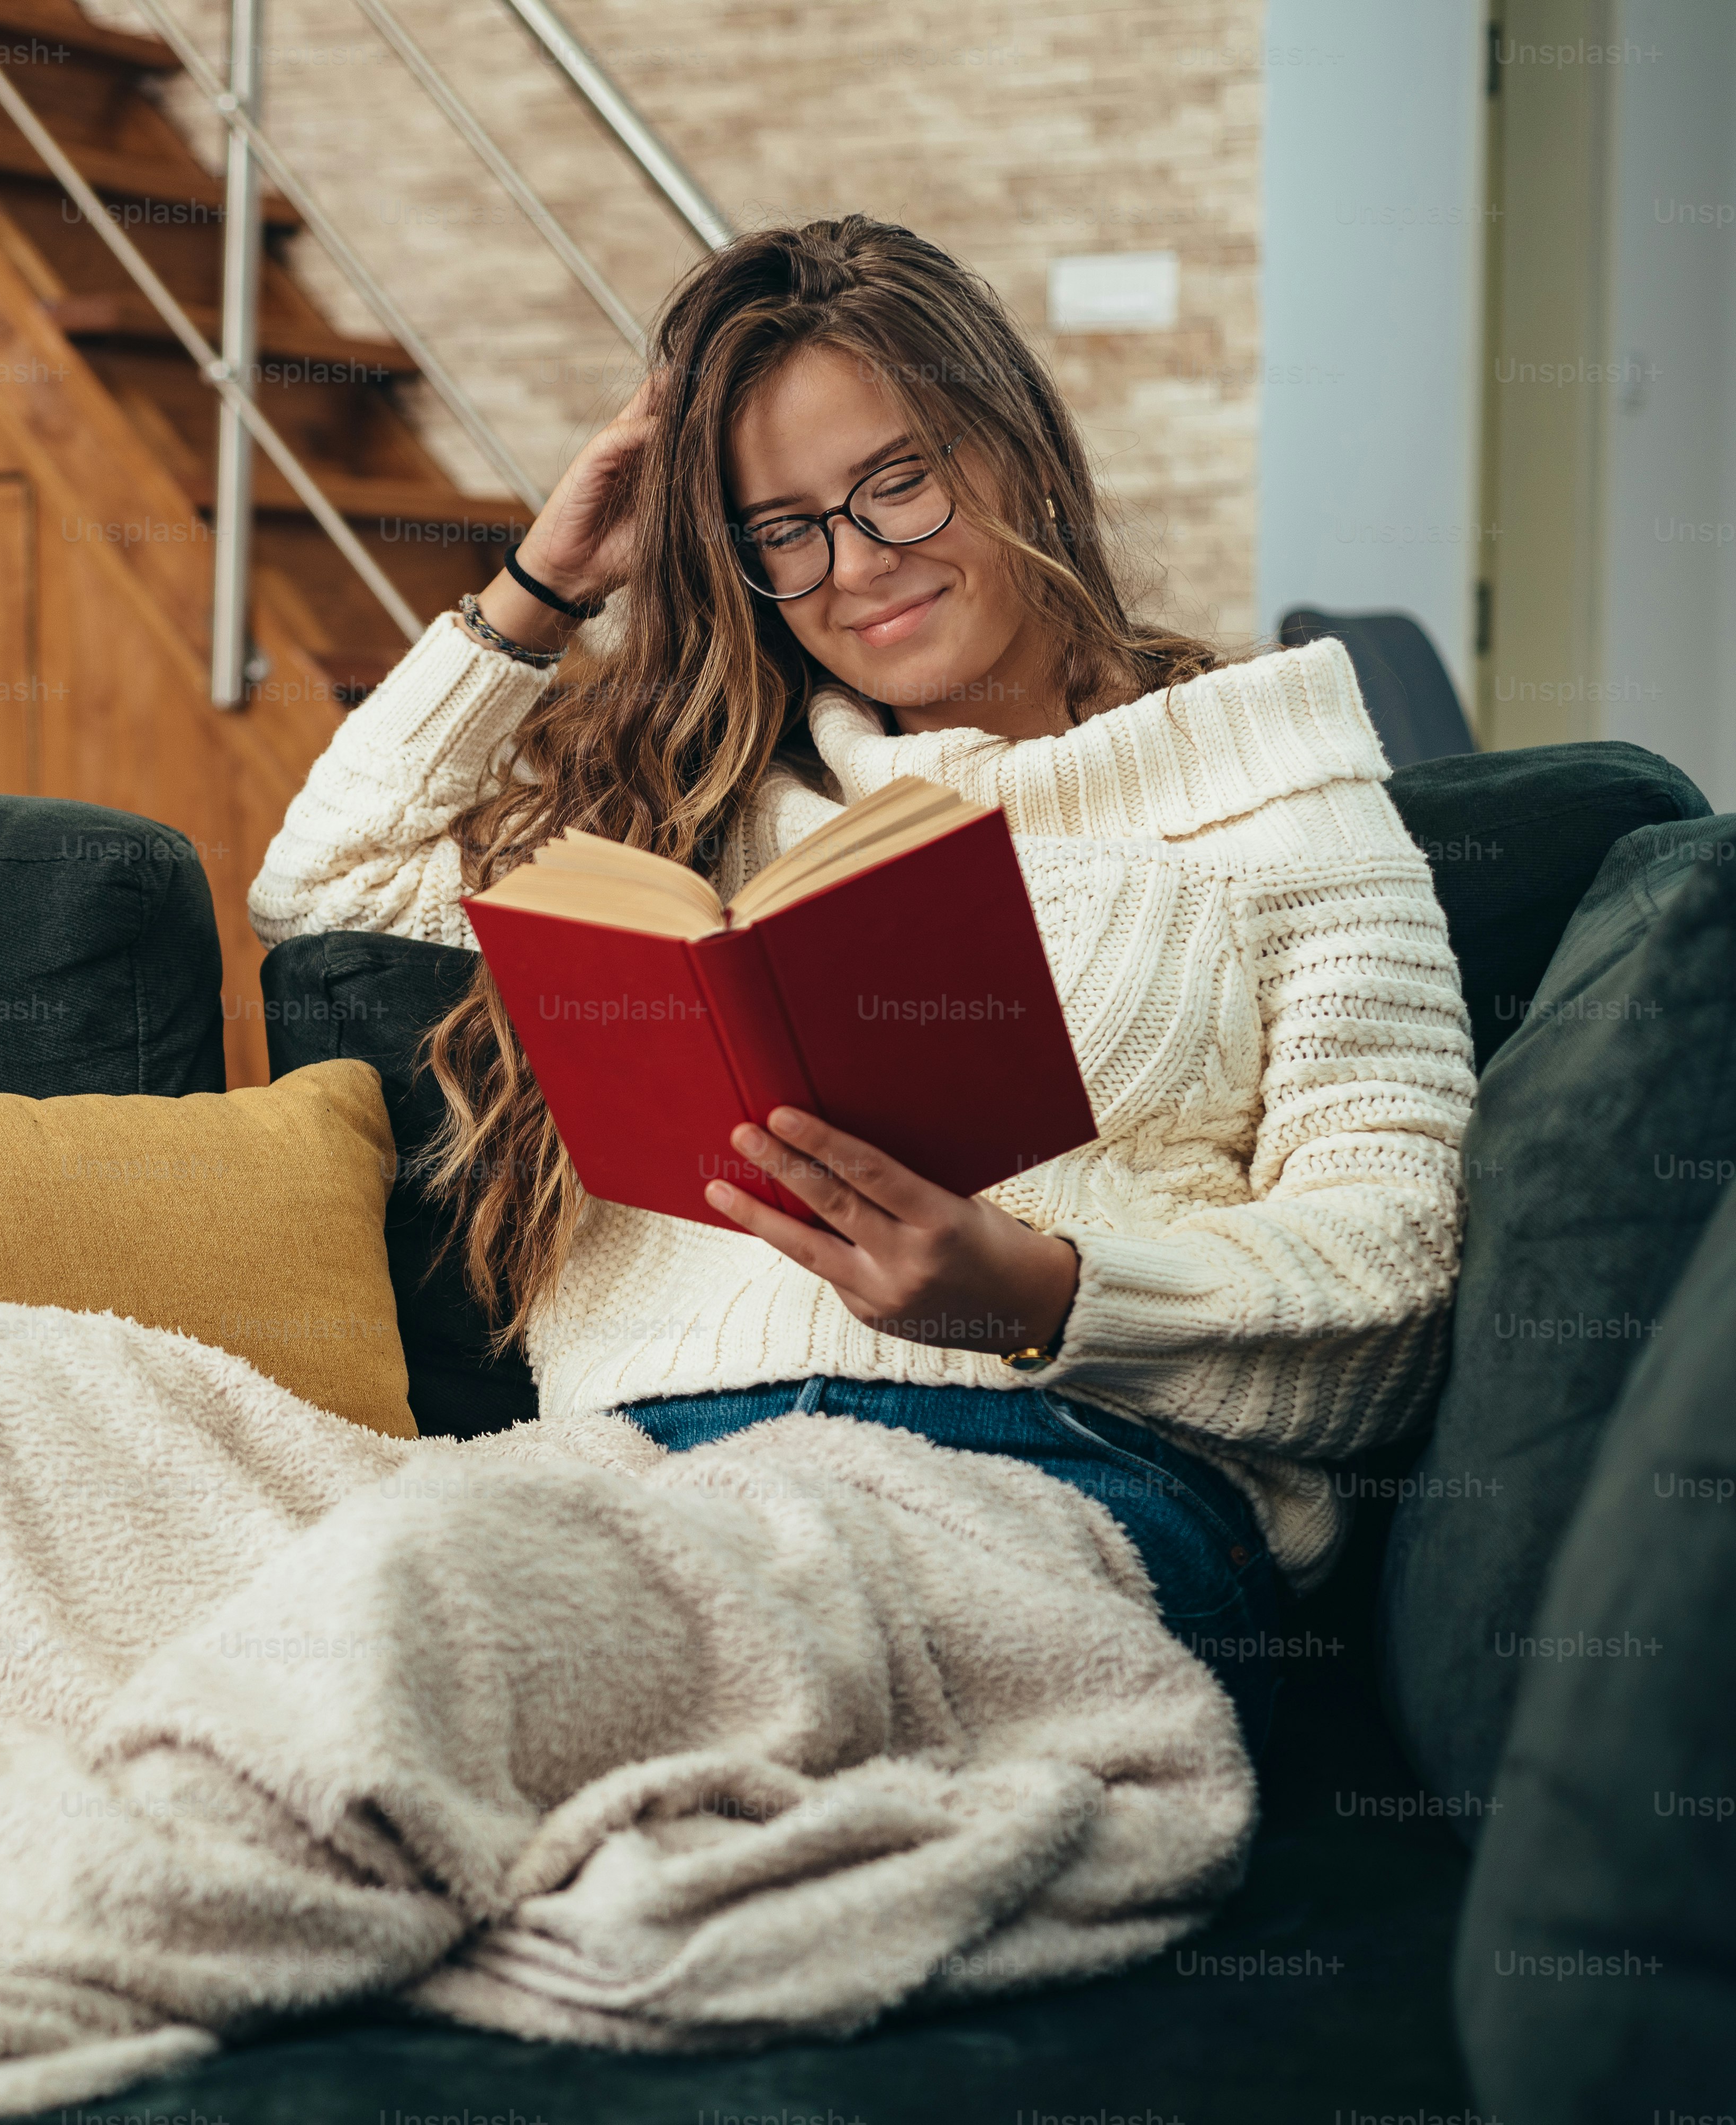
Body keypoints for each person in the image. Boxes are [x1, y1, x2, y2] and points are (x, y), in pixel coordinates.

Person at [249, 215, 1476, 1751]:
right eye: (786, 529)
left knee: (469, 1619)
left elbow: (1397, 1277)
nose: (862, 567)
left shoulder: (1276, 786)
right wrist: (548, 579)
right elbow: (328, 889)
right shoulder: (704, 806)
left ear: (1016, 444)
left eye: (899, 481)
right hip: (624, 1480)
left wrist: (1038, 1292)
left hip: (1036, 1469)